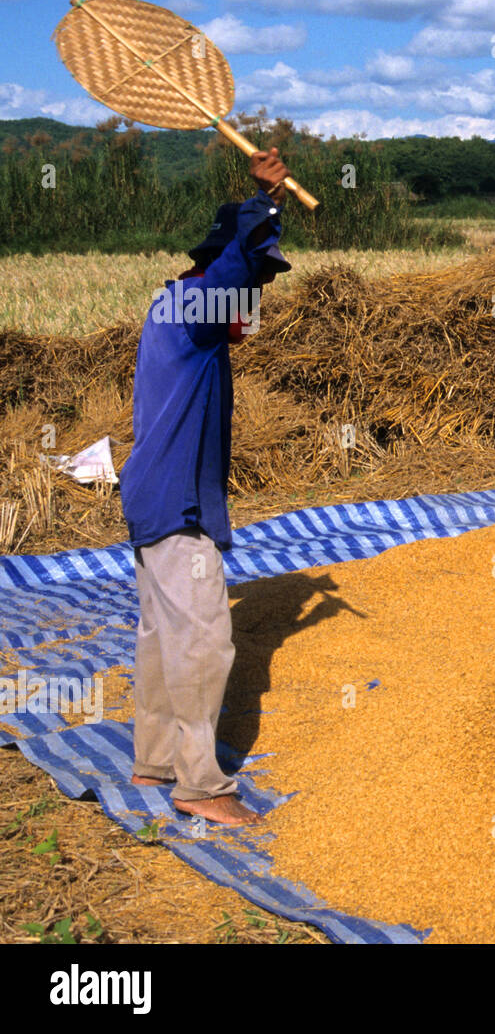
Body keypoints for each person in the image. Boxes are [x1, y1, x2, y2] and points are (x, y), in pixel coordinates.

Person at [118, 148, 292, 827]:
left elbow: (237, 274)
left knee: (162, 633)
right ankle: (199, 784)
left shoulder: (175, 313)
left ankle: (154, 758)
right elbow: (237, 268)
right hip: (177, 506)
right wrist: (267, 203)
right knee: (205, 639)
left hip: (152, 497)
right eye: (255, 292)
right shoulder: (196, 309)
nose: (256, 305)